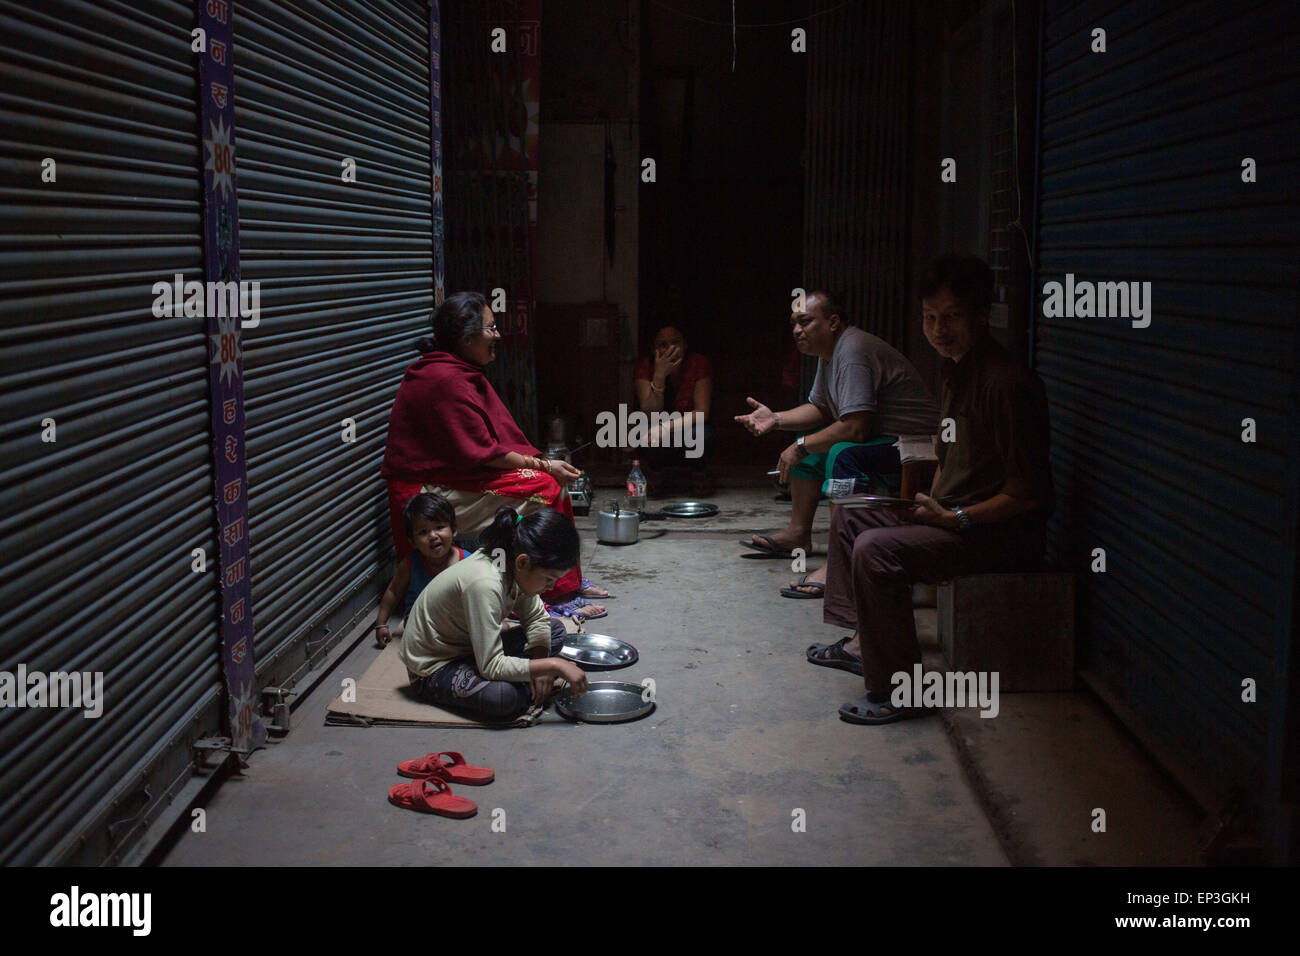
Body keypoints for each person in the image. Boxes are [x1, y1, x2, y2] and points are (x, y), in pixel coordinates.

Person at [807, 256, 1054, 724]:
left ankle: (903, 692)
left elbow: (1028, 495)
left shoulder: (1005, 384)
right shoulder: (956, 371)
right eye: (929, 317)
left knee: (876, 551)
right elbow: (946, 455)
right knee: (852, 514)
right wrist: (928, 503)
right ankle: (863, 641)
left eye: (953, 316)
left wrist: (956, 518)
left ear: (981, 315)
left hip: (997, 533)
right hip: (953, 514)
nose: (939, 329)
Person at [380, 291, 609, 619]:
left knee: (546, 483)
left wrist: (543, 465)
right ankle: (555, 592)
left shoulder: (457, 370)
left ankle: (558, 579)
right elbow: (484, 452)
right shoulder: (443, 378)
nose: (498, 336)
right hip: (423, 494)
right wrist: (544, 465)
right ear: (466, 336)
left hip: (451, 476)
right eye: (491, 328)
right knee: (548, 488)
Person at [734, 291, 939, 586]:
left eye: (805, 322)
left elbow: (855, 428)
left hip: (918, 446)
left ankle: (840, 563)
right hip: (886, 440)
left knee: (840, 453)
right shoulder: (830, 353)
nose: (796, 330)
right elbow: (820, 409)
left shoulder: (853, 351)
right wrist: (776, 419)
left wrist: (799, 447)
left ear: (833, 322)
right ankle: (798, 535)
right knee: (809, 441)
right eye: (793, 323)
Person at [401, 507, 591, 722]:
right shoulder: (485, 583)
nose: (551, 587)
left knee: (554, 630)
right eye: (548, 579)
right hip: (435, 666)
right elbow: (491, 666)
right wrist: (553, 665)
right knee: (503, 698)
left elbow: (537, 617)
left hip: (471, 648)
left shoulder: (506, 558)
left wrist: (541, 664)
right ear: (522, 562)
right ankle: (524, 684)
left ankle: (526, 679)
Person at [373, 493, 469, 646]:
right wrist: (381, 624)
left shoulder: (469, 562)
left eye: (439, 527)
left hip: (457, 621)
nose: (433, 536)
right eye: (423, 532)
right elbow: (394, 591)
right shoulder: (411, 563)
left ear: (454, 529)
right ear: (412, 541)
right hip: (420, 625)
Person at [633, 325, 715, 497]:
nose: (669, 349)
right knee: (645, 433)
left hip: (686, 426)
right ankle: (654, 474)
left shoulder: (698, 363)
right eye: (663, 344)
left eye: (675, 343)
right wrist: (659, 375)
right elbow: (649, 412)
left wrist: (665, 428)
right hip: (656, 426)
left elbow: (702, 412)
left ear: (684, 345)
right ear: (654, 348)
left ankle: (699, 474)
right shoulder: (645, 366)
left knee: (702, 434)